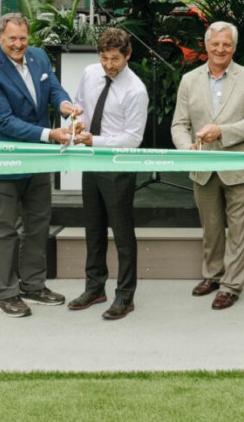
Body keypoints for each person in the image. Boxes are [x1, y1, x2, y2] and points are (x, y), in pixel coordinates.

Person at [0, 13, 82, 318]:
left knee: (38, 224)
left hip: (37, 161)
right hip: (5, 161)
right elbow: (4, 122)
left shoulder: (38, 57)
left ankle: (33, 285)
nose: (19, 44)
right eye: (12, 39)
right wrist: (50, 134)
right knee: (4, 229)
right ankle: (6, 293)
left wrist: (65, 105)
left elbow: (54, 90)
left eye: (23, 38)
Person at [171, 21, 244, 311]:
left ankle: (231, 285)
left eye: (226, 44)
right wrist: (186, 147)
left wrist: (221, 132)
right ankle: (213, 275)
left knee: (238, 230)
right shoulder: (189, 80)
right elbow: (179, 124)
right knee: (210, 227)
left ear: (234, 47)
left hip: (238, 166)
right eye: (215, 44)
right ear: (206, 45)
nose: (220, 49)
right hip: (202, 166)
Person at [67, 27, 147, 321]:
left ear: (128, 55)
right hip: (91, 161)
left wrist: (94, 140)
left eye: (114, 59)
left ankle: (125, 296)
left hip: (118, 166)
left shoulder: (136, 90)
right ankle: (94, 288)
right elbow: (81, 104)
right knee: (93, 228)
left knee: (123, 235)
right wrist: (76, 121)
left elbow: (132, 138)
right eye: (104, 58)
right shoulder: (90, 73)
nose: (109, 65)